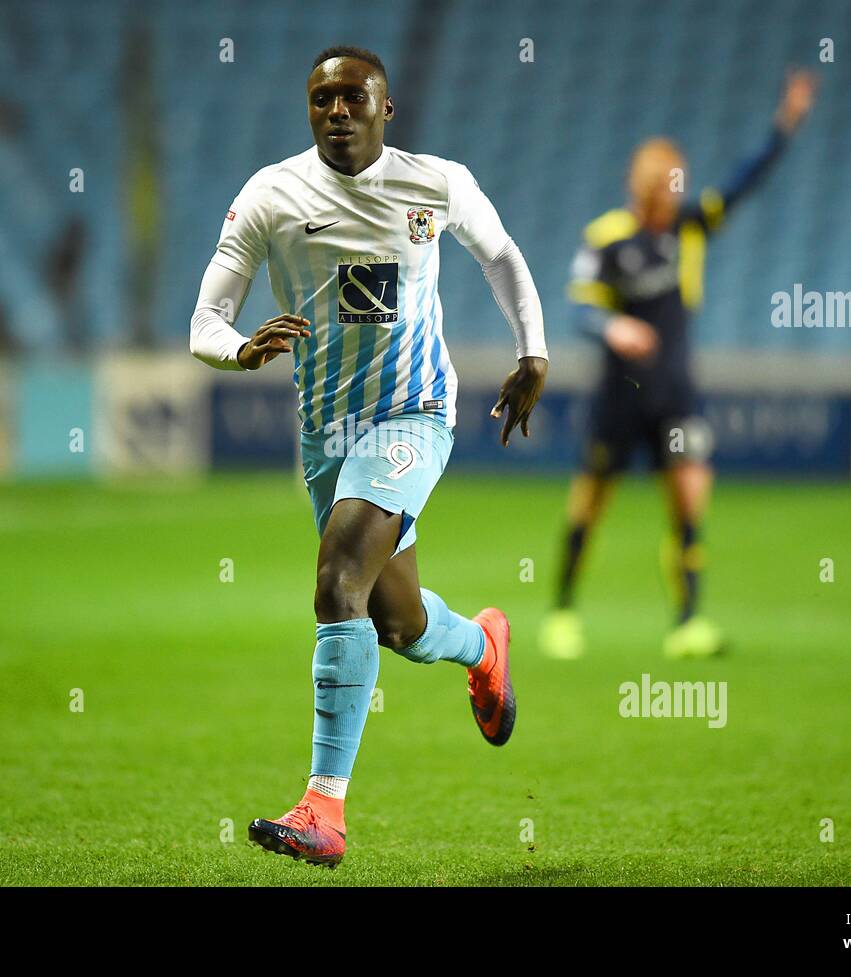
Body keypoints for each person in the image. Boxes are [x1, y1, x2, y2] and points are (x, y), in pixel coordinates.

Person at [189, 46, 547, 866]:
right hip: (327, 435)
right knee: (399, 622)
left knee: (335, 574)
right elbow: (206, 316)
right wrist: (241, 350)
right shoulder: (269, 196)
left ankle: (324, 810)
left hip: (413, 415)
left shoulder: (436, 183)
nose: (337, 111)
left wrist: (534, 349)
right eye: (322, 99)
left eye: (354, 98)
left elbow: (500, 255)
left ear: (388, 109)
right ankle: (482, 646)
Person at [540, 70, 817, 661]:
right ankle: (562, 613)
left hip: (675, 394)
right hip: (620, 397)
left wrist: (784, 125)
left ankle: (688, 621)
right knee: (589, 503)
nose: (672, 196)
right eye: (663, 188)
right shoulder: (607, 238)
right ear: (642, 190)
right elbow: (578, 309)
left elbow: (745, 182)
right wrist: (615, 325)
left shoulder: (692, 226)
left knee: (690, 497)